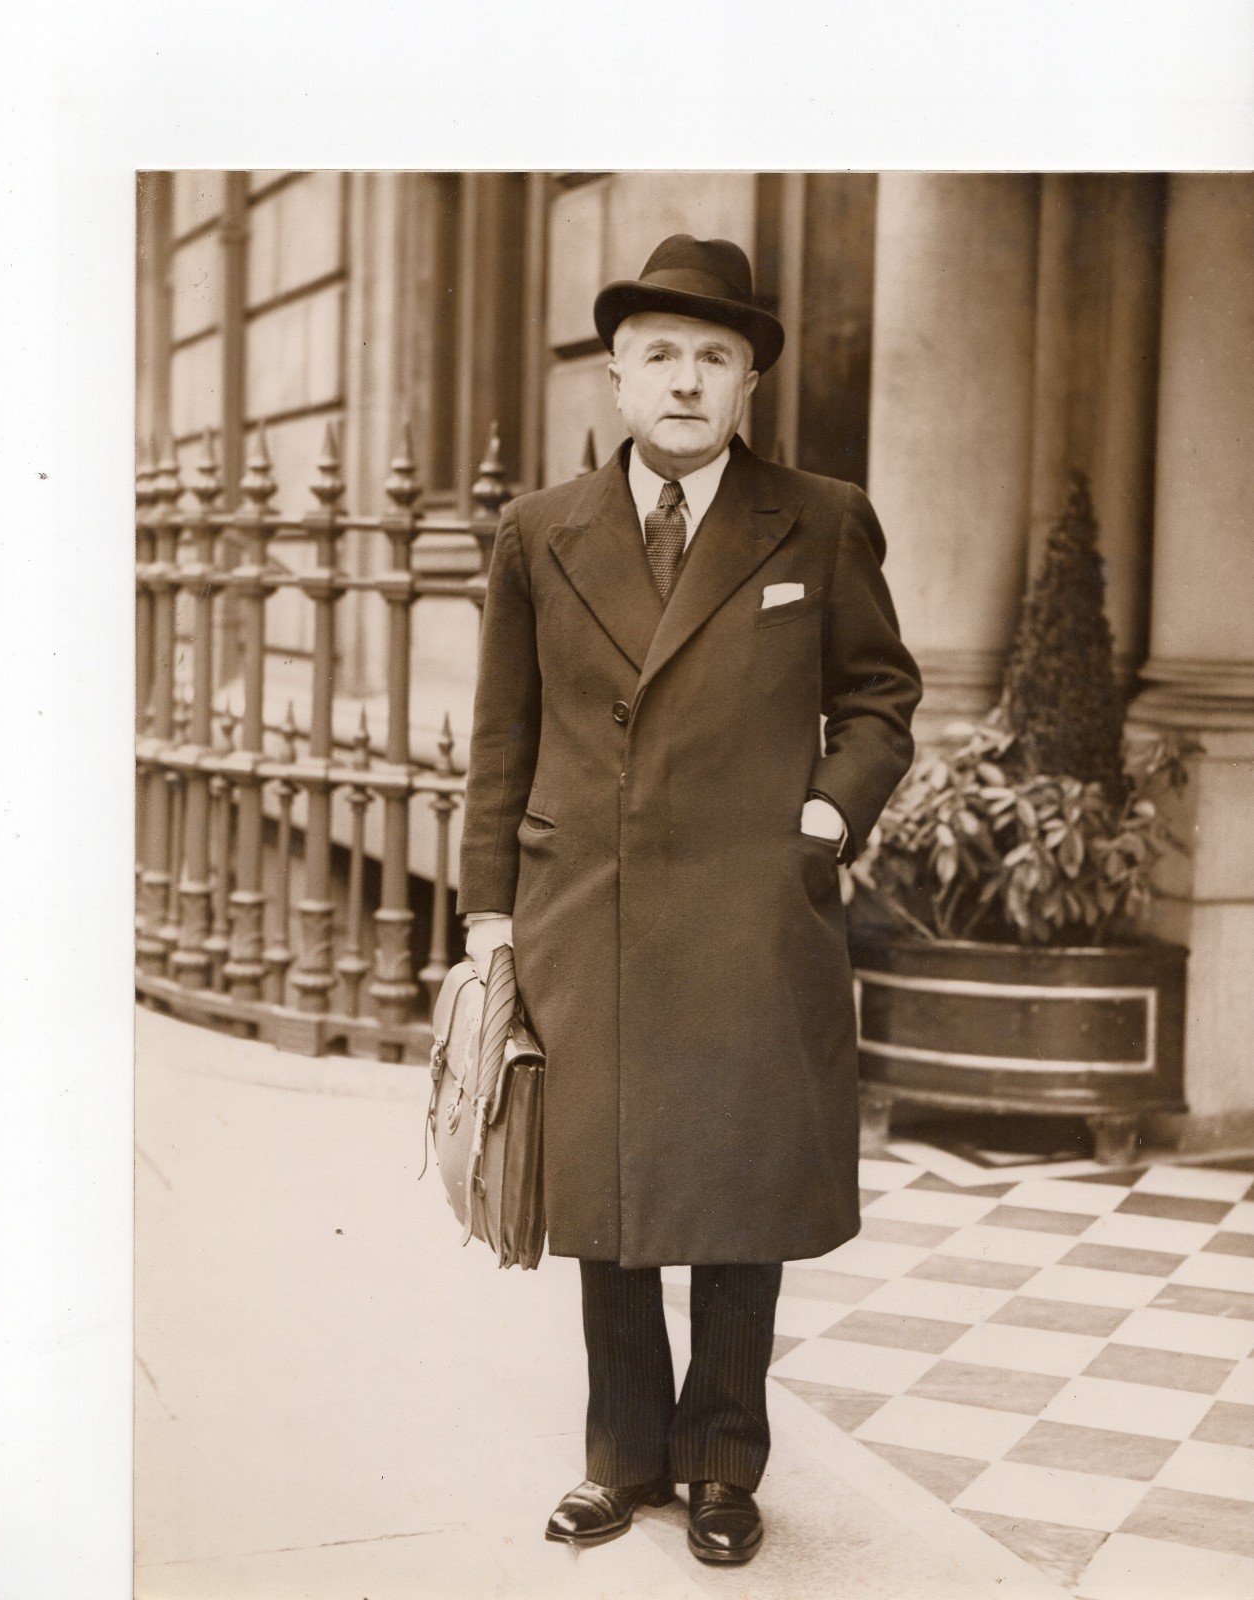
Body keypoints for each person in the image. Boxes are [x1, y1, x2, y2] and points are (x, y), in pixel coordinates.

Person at [458, 233, 921, 1566]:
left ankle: (723, 1464)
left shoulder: (819, 517)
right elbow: (502, 734)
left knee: (735, 1195)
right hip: (580, 909)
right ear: (613, 376)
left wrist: (824, 816)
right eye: (658, 352)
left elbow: (880, 694)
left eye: (714, 356)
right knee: (601, 1195)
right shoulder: (538, 531)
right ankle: (620, 1457)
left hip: (747, 911)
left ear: (746, 389)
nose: (684, 378)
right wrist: (488, 912)